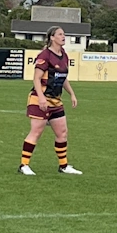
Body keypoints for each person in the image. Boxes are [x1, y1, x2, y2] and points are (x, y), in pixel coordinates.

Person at [18, 26, 82, 176]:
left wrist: (72, 94)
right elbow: (36, 78)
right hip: (40, 99)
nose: (63, 37)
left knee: (62, 133)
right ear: (52, 38)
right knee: (36, 131)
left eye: (64, 34)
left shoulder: (64, 55)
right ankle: (23, 165)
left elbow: (63, 78)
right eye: (60, 34)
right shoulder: (45, 55)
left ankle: (63, 166)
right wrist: (41, 97)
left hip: (56, 101)